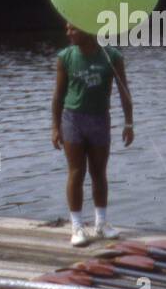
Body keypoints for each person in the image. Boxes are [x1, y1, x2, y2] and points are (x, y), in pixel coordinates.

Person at [52, 21, 134, 246]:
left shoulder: (111, 56)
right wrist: (55, 127)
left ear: (89, 30)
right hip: (73, 119)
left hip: (99, 119)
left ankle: (101, 223)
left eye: (73, 29)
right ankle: (77, 227)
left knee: (99, 172)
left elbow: (124, 91)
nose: (67, 32)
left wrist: (129, 123)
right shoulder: (65, 57)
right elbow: (58, 96)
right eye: (67, 28)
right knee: (76, 172)